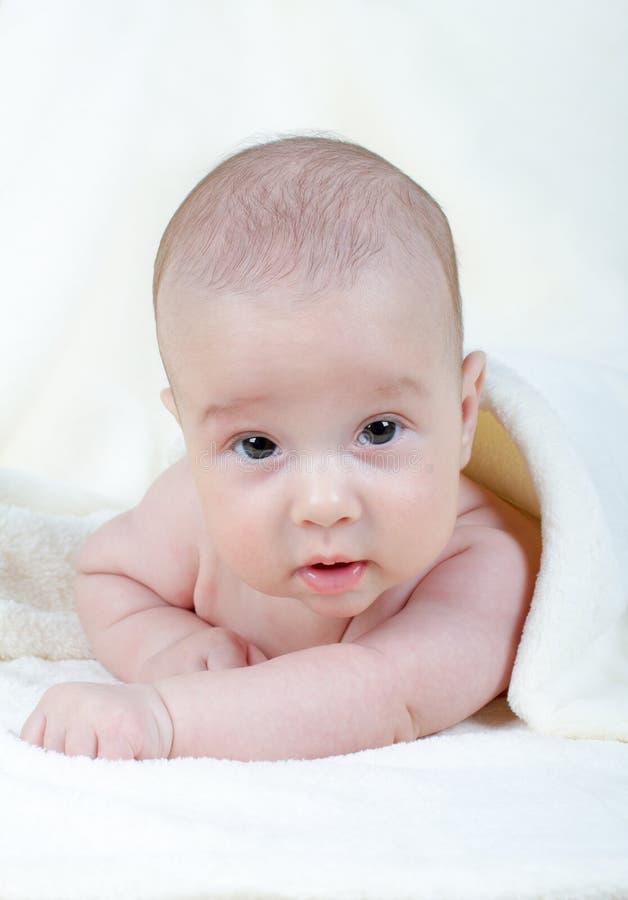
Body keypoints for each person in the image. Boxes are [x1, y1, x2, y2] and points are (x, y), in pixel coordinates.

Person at [20, 135, 542, 761]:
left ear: (462, 416)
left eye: (379, 431)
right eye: (258, 445)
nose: (323, 504)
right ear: (191, 441)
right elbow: (106, 574)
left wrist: (166, 717)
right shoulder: (194, 507)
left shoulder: (485, 563)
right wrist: (162, 643)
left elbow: (383, 695)